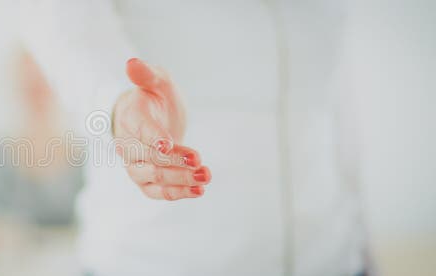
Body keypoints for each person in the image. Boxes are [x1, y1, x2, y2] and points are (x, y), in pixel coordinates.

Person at [20, 0, 368, 275]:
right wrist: (117, 104)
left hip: (333, 258)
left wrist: (361, 251)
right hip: (155, 261)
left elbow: (337, 114)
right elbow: (64, 27)